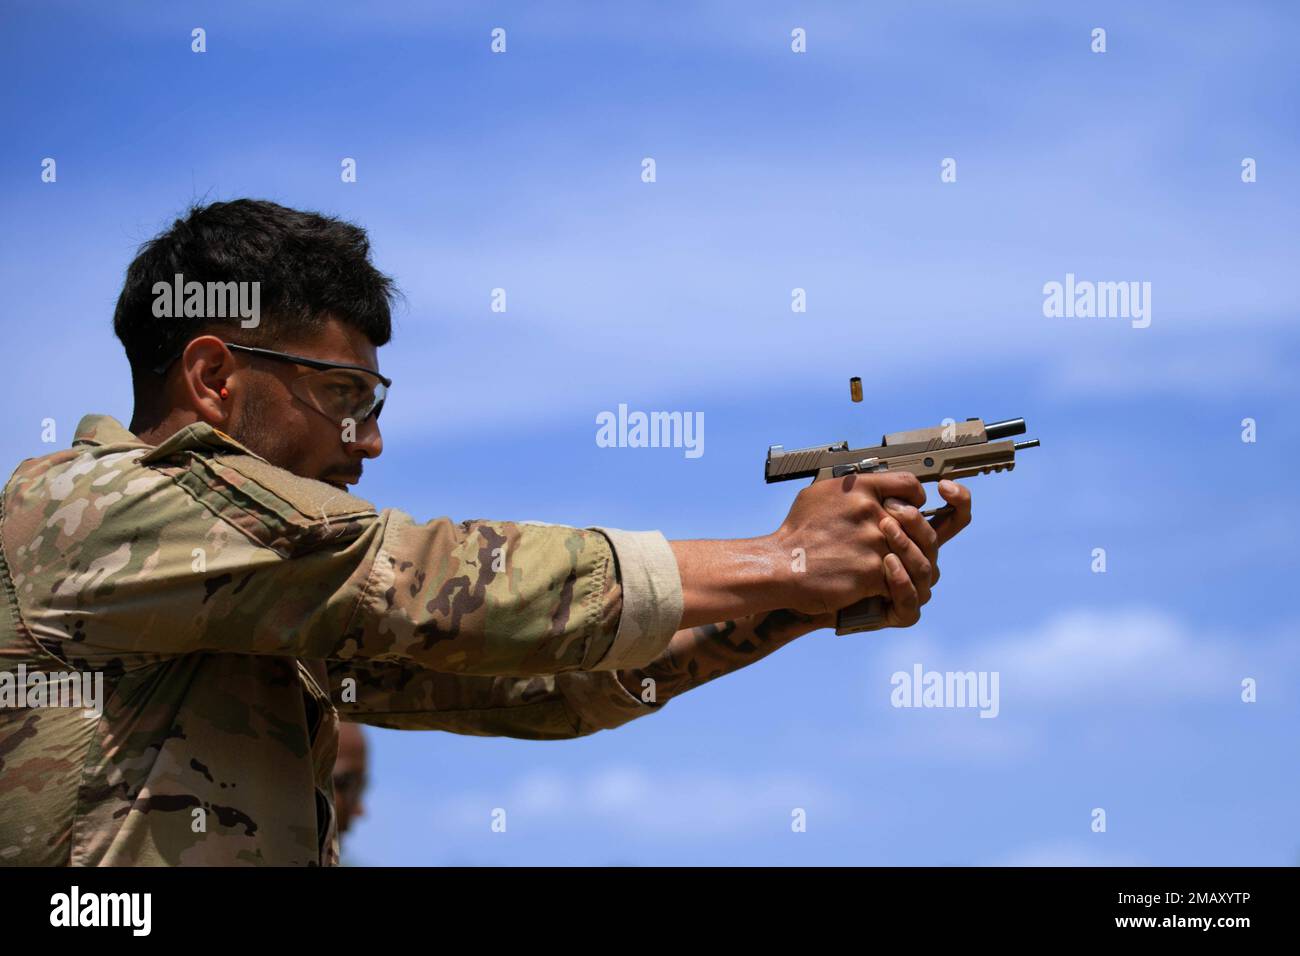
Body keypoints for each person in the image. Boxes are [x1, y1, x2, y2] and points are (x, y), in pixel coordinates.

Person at [0, 199, 971, 865]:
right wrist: (782, 557)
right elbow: (434, 579)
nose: (370, 438)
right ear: (214, 378)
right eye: (343, 396)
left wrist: (793, 602)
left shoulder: (263, 598)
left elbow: (538, 681)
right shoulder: (96, 506)